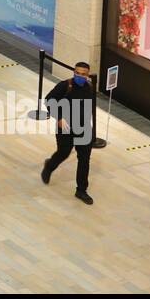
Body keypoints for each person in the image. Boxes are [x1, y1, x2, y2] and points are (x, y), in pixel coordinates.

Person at [40, 61, 97, 205]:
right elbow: (48, 100)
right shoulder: (65, 86)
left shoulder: (90, 87)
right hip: (65, 127)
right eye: (77, 73)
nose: (80, 76)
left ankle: (81, 190)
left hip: (83, 129)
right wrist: (58, 117)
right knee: (64, 152)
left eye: (83, 74)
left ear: (88, 75)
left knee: (84, 159)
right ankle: (50, 166)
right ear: (74, 72)